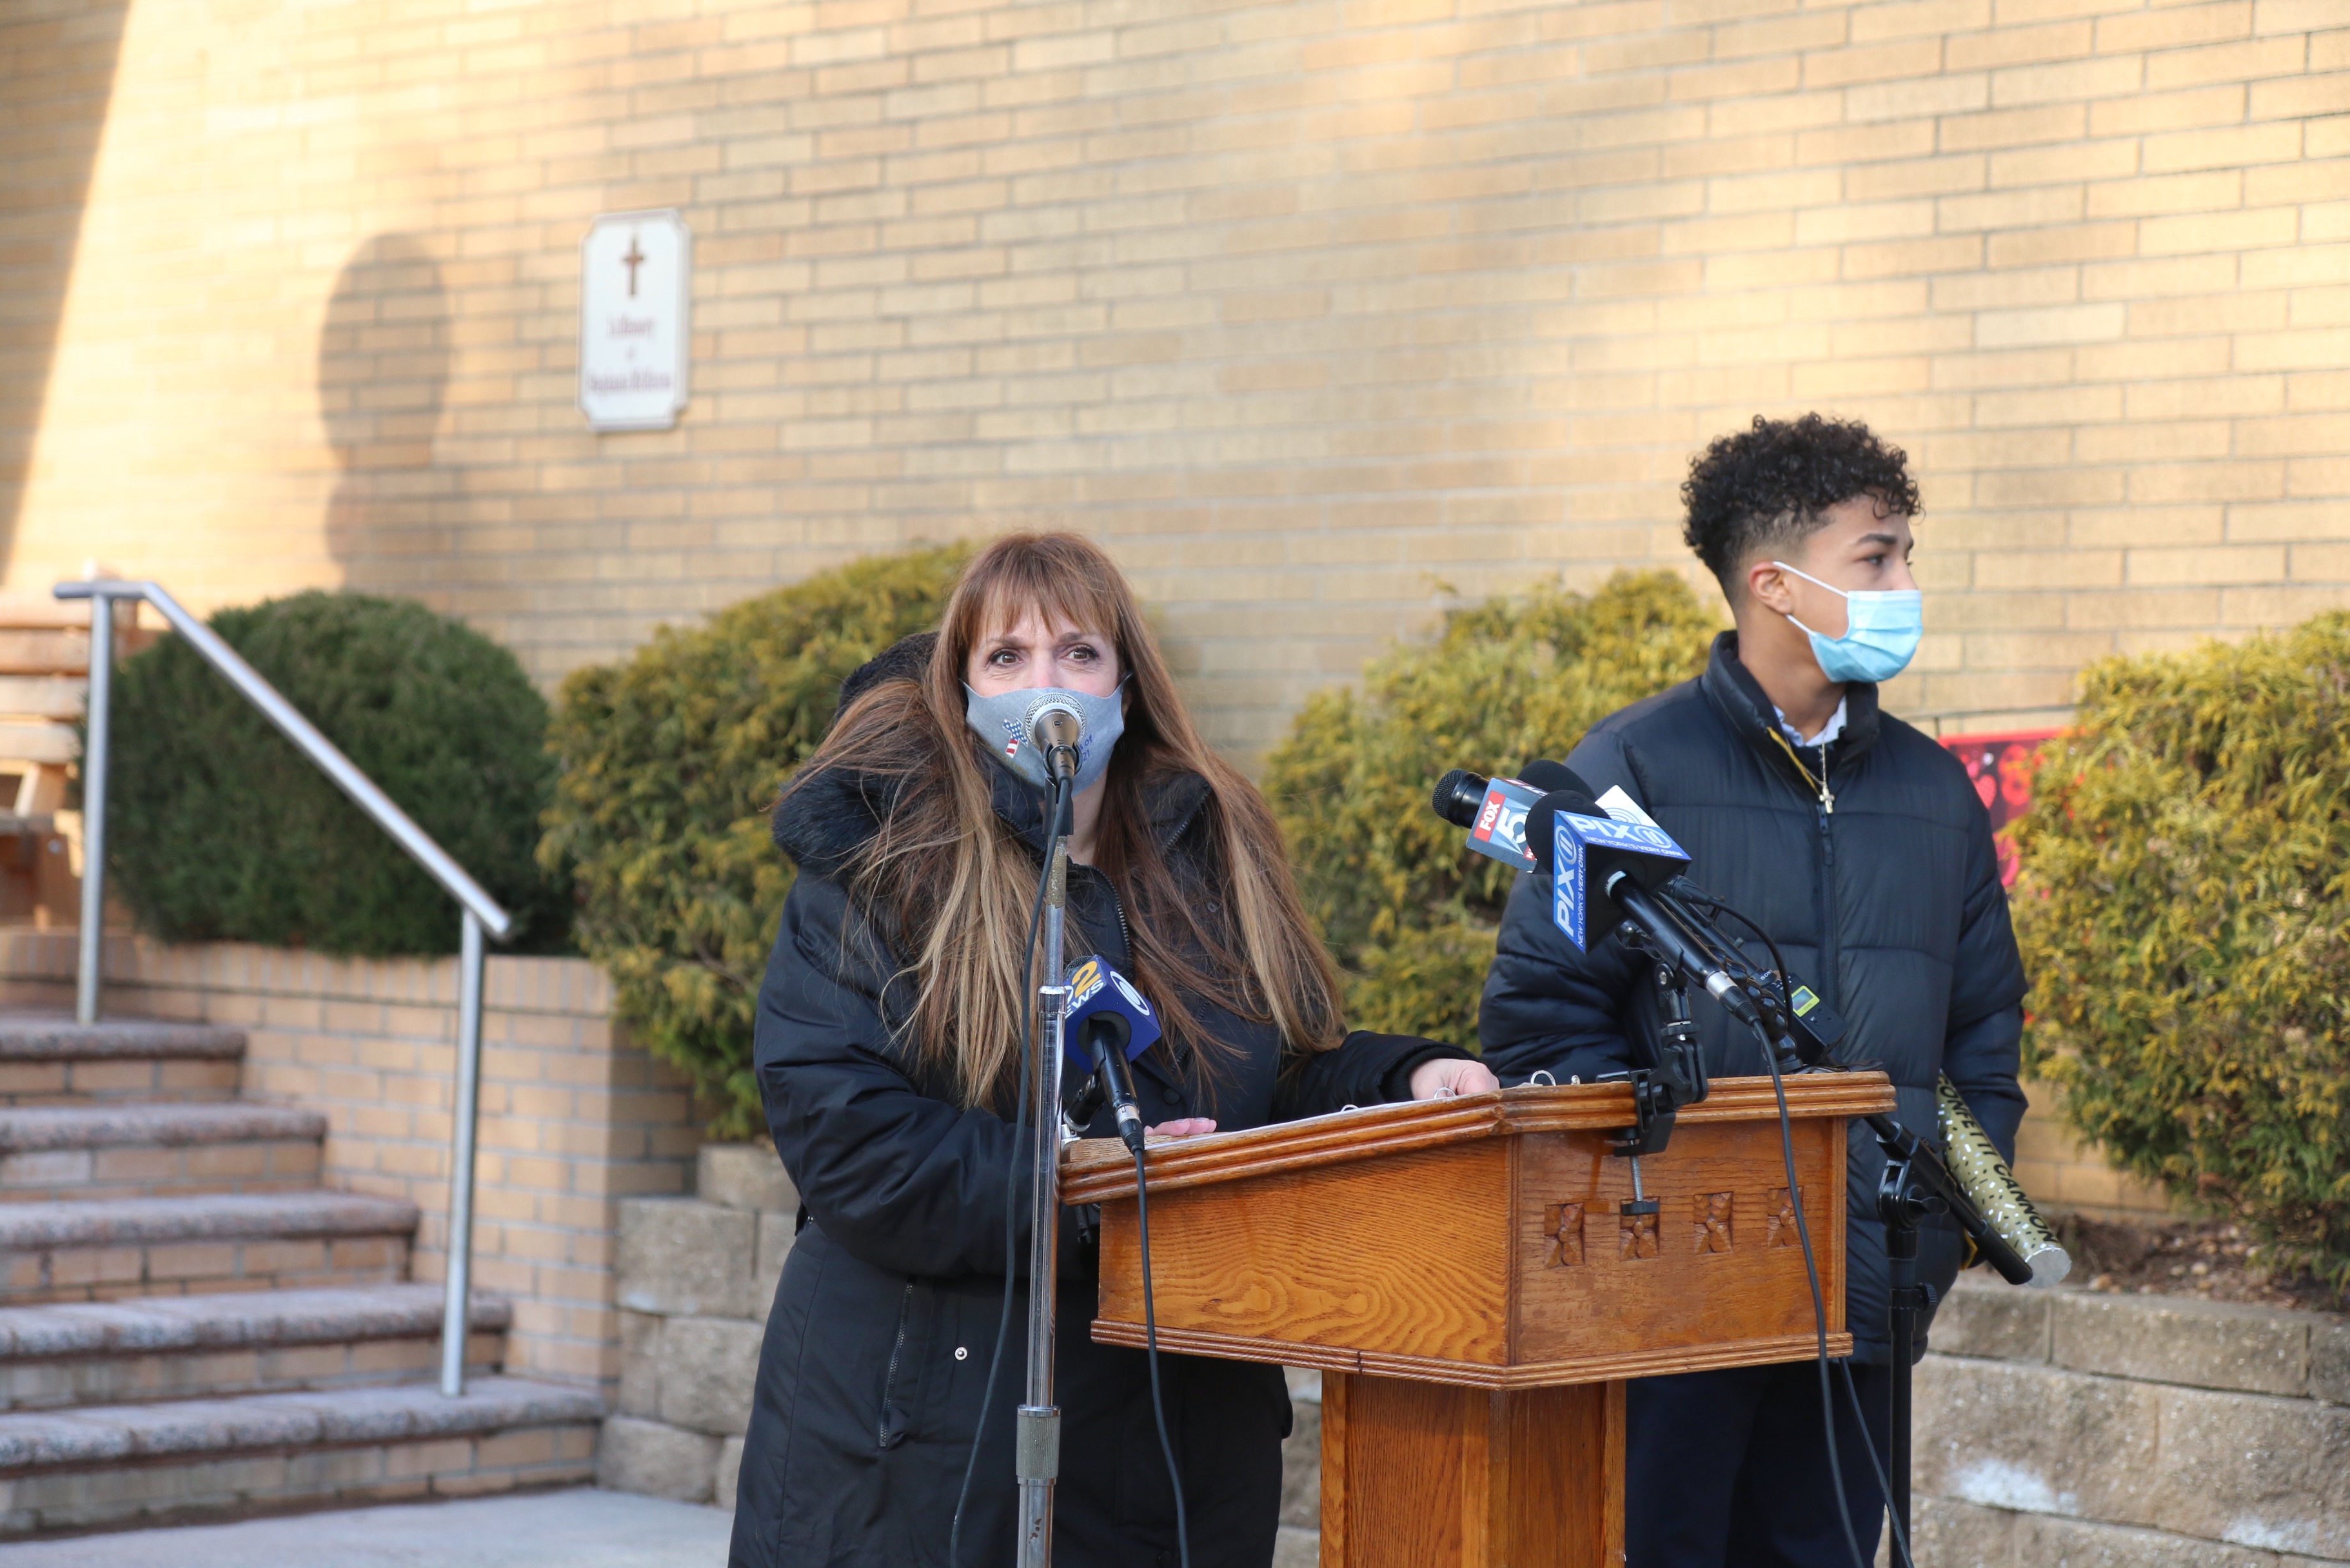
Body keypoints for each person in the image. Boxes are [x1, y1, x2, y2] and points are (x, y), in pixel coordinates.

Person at [729, 532, 1499, 1568]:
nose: (1046, 684)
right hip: (933, 1426)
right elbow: (847, 1136)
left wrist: (1402, 1076)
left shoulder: (1212, 840)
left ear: (1127, 686)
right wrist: (1083, 1186)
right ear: (958, 689)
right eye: (1006, 658)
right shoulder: (881, 863)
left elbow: (1275, 1068)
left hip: (1175, 1423)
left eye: (1078, 654)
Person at [1477, 415, 2027, 1567]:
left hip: (1865, 1311)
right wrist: (1659, 1205)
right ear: (1777, 586)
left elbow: (1979, 1043)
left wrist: (1942, 1238)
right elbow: (1538, 1024)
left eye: (1905, 555)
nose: (1906, 582)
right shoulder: (1627, 771)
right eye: (1878, 557)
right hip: (1673, 1315)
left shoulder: (1937, 796)